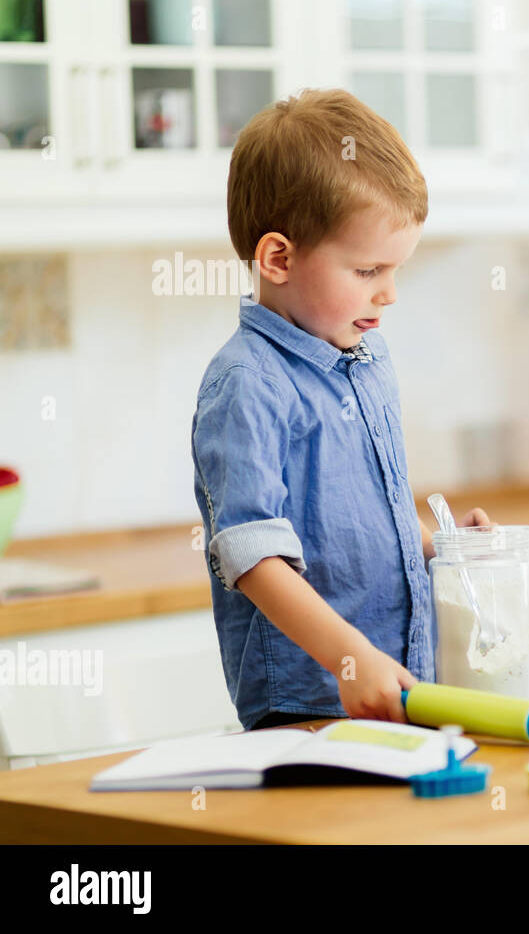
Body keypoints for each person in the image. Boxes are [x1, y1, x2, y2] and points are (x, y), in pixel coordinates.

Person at [191, 88, 489, 731]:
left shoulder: (367, 359)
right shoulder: (249, 384)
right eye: (367, 269)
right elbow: (253, 558)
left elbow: (366, 518)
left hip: (403, 688)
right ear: (278, 259)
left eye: (395, 269)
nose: (388, 292)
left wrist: (441, 548)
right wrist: (352, 660)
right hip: (309, 705)